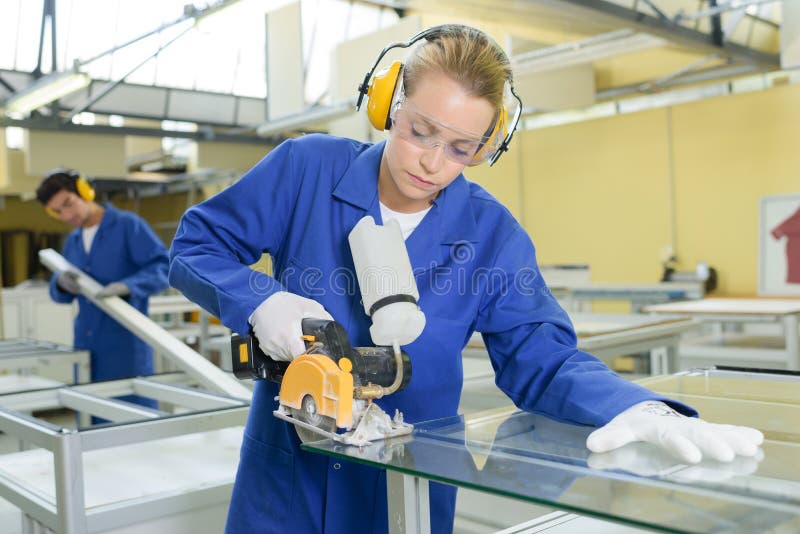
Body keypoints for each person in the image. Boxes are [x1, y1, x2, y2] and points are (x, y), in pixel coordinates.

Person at [168, 25, 763, 534]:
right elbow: (195, 246)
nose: (431, 163)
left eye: (460, 149)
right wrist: (260, 301)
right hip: (287, 483)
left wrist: (637, 407)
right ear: (387, 103)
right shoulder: (305, 169)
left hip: (409, 487)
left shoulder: (491, 236)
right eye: (420, 131)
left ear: (486, 147)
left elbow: (543, 358)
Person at [36, 168, 169, 405]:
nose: (66, 215)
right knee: (91, 417)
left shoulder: (128, 226)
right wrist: (60, 283)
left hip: (126, 343)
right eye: (57, 212)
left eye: (69, 203)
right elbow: (61, 296)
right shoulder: (73, 241)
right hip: (86, 344)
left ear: (85, 192)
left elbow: (164, 268)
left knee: (135, 419)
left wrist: (128, 285)